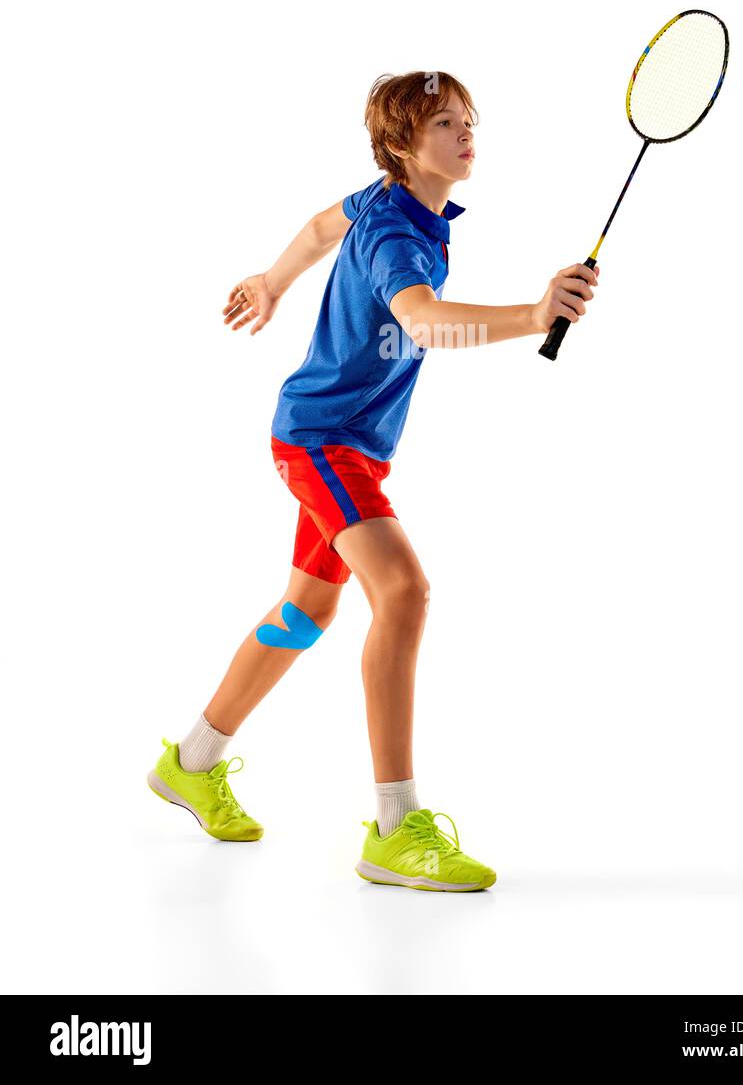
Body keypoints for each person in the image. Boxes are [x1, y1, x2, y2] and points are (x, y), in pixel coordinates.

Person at [147, 70, 599, 891]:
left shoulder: (396, 201)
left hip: (345, 445)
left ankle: (192, 761)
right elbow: (422, 318)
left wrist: (273, 281)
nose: (466, 135)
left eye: (468, 120)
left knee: (305, 610)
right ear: (401, 146)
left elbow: (324, 223)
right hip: (323, 443)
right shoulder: (400, 235)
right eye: (444, 125)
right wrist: (532, 317)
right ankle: (395, 828)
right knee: (404, 592)